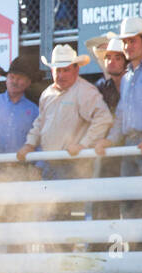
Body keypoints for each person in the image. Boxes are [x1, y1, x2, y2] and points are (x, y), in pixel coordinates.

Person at [17, 45, 112, 179]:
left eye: (66, 70)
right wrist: (30, 144)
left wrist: (83, 144)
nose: (61, 75)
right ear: (52, 70)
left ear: (76, 69)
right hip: (49, 161)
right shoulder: (47, 93)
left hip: (74, 164)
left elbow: (103, 118)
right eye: (58, 70)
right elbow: (40, 122)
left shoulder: (84, 91)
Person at [107, 16, 142, 218]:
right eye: (125, 42)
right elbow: (122, 113)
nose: (128, 46)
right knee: (129, 203)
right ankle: (136, 248)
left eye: (132, 41)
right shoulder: (127, 76)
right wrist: (110, 140)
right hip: (131, 143)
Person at [0, 53, 39, 155]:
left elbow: (38, 141)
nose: (14, 81)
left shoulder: (34, 111)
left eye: (19, 78)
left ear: (28, 82)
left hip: (20, 168)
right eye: (11, 77)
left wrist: (38, 166)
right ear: (6, 79)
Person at [93, 35, 127, 112]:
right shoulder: (101, 86)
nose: (111, 62)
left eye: (117, 58)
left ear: (126, 61)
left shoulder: (134, 82)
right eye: (108, 58)